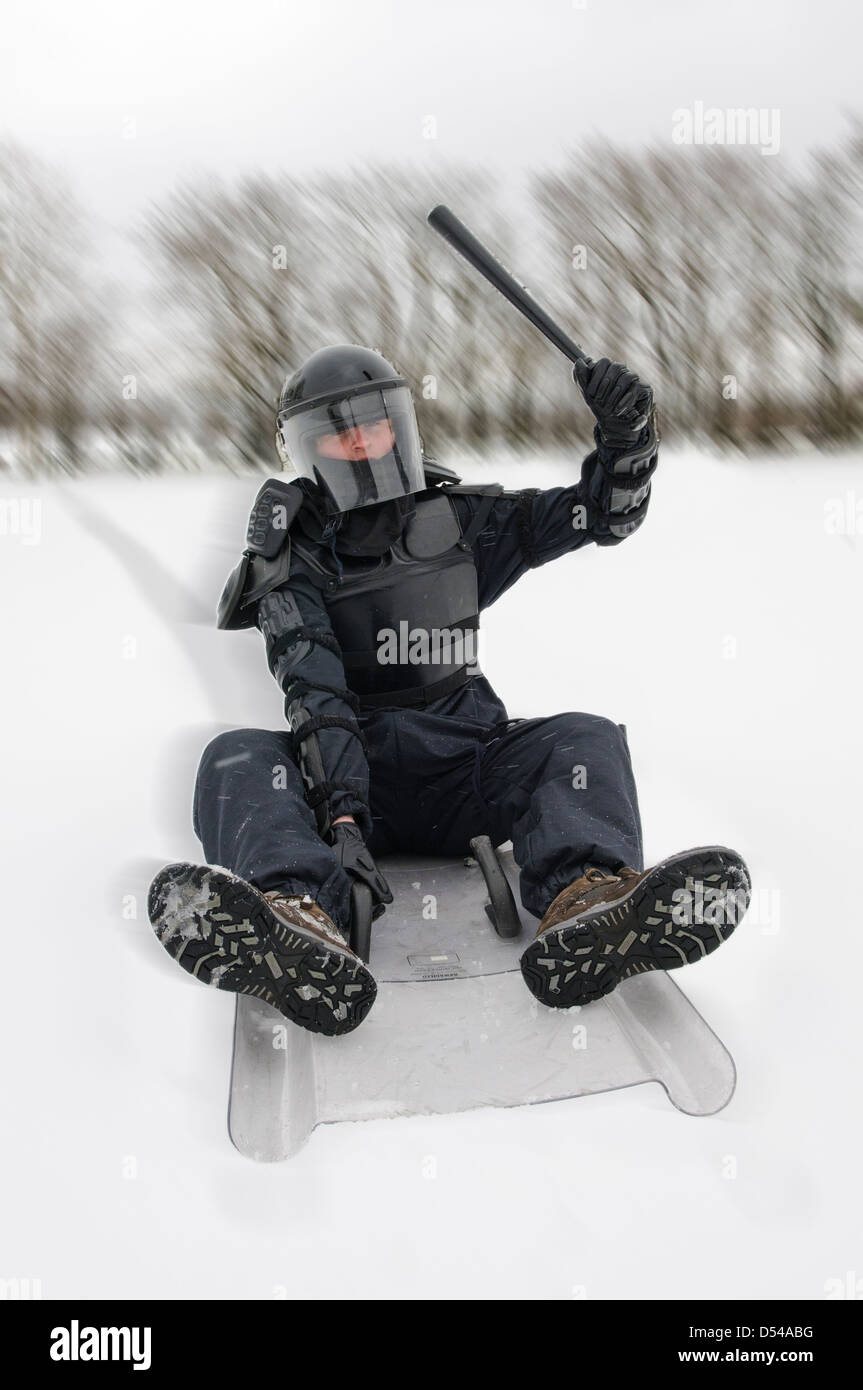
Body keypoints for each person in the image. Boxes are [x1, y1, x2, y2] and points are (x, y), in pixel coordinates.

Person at [148, 344, 750, 1037]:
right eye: (337, 432)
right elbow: (314, 690)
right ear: (306, 450)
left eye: (370, 424)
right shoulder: (292, 557)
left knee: (583, 734)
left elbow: (600, 515)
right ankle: (294, 915)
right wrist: (341, 817)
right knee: (234, 755)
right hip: (346, 787)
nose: (359, 441)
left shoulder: (462, 523)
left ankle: (587, 900)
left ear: (398, 427)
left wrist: (626, 440)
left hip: (469, 771)